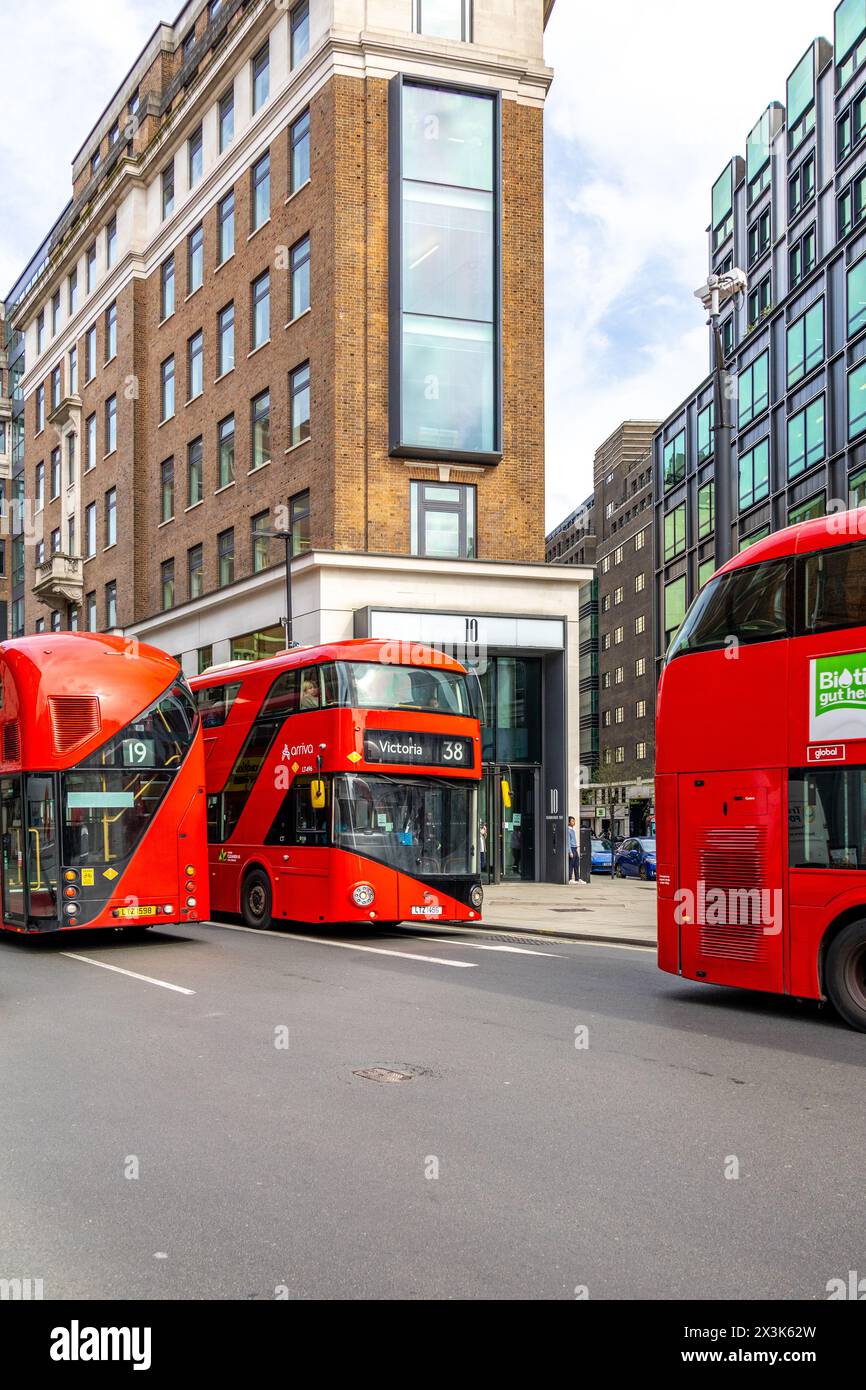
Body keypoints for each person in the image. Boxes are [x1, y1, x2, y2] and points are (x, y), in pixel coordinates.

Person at [567, 816, 581, 883]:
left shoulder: (572, 830)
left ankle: (577, 879)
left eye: (574, 821)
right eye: (572, 821)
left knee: (576, 864)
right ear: (568, 822)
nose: (574, 822)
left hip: (575, 848)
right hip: (572, 849)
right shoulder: (568, 830)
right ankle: (569, 879)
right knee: (571, 865)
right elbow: (568, 842)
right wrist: (570, 852)